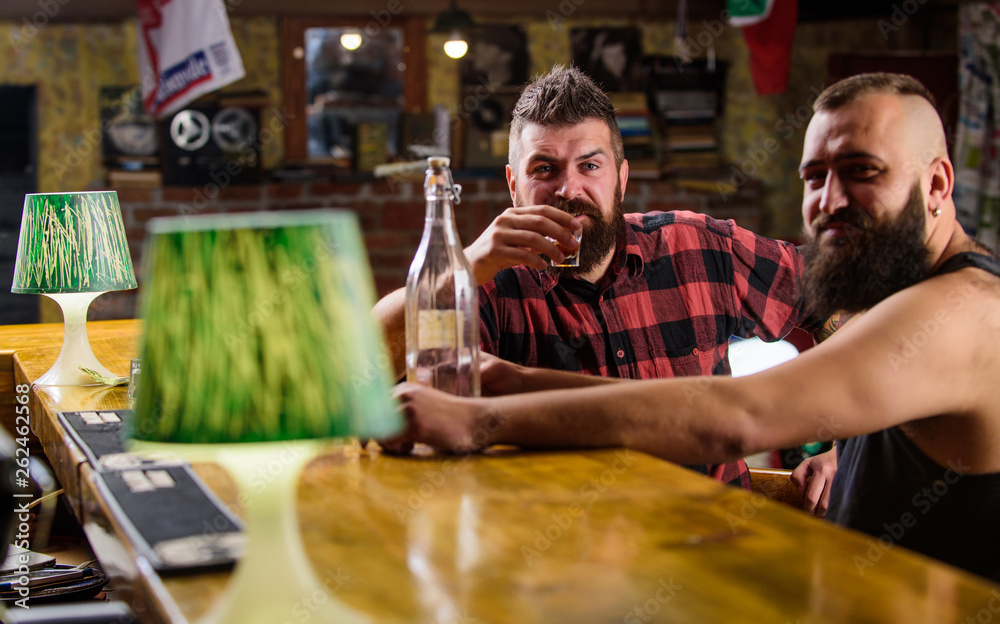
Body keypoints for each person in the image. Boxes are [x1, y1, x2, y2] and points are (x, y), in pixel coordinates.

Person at [383, 72, 1000, 583]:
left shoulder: (964, 308)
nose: (828, 201)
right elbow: (358, 363)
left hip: (714, 571)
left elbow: (734, 415)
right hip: (552, 577)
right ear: (514, 185)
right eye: (814, 176)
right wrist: (474, 291)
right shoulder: (483, 283)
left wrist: (488, 410)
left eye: (863, 171)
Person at [374, 65, 814, 491]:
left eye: (589, 166)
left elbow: (846, 295)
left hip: (716, 538)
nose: (569, 190)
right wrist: (465, 266)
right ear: (514, 186)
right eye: (544, 168)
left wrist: (848, 448)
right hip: (560, 547)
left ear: (621, 179)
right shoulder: (488, 287)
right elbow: (360, 372)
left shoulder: (700, 248)